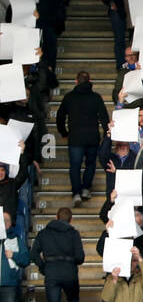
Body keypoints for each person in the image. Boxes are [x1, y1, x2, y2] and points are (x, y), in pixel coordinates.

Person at [56, 71, 110, 204]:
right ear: (90, 81)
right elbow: (104, 117)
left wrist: (64, 132)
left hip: (75, 138)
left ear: (76, 81)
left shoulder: (69, 97)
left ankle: (76, 193)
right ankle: (86, 188)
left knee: (75, 166)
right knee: (90, 164)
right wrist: (106, 134)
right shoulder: (96, 97)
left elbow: (60, 116)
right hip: (92, 137)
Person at [32, 207, 85, 302]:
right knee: (72, 301)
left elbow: (34, 253)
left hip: (51, 272)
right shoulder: (73, 233)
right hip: (69, 273)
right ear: (70, 220)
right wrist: (71, 263)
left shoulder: (44, 233)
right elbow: (80, 257)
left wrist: (43, 267)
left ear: (56, 217)